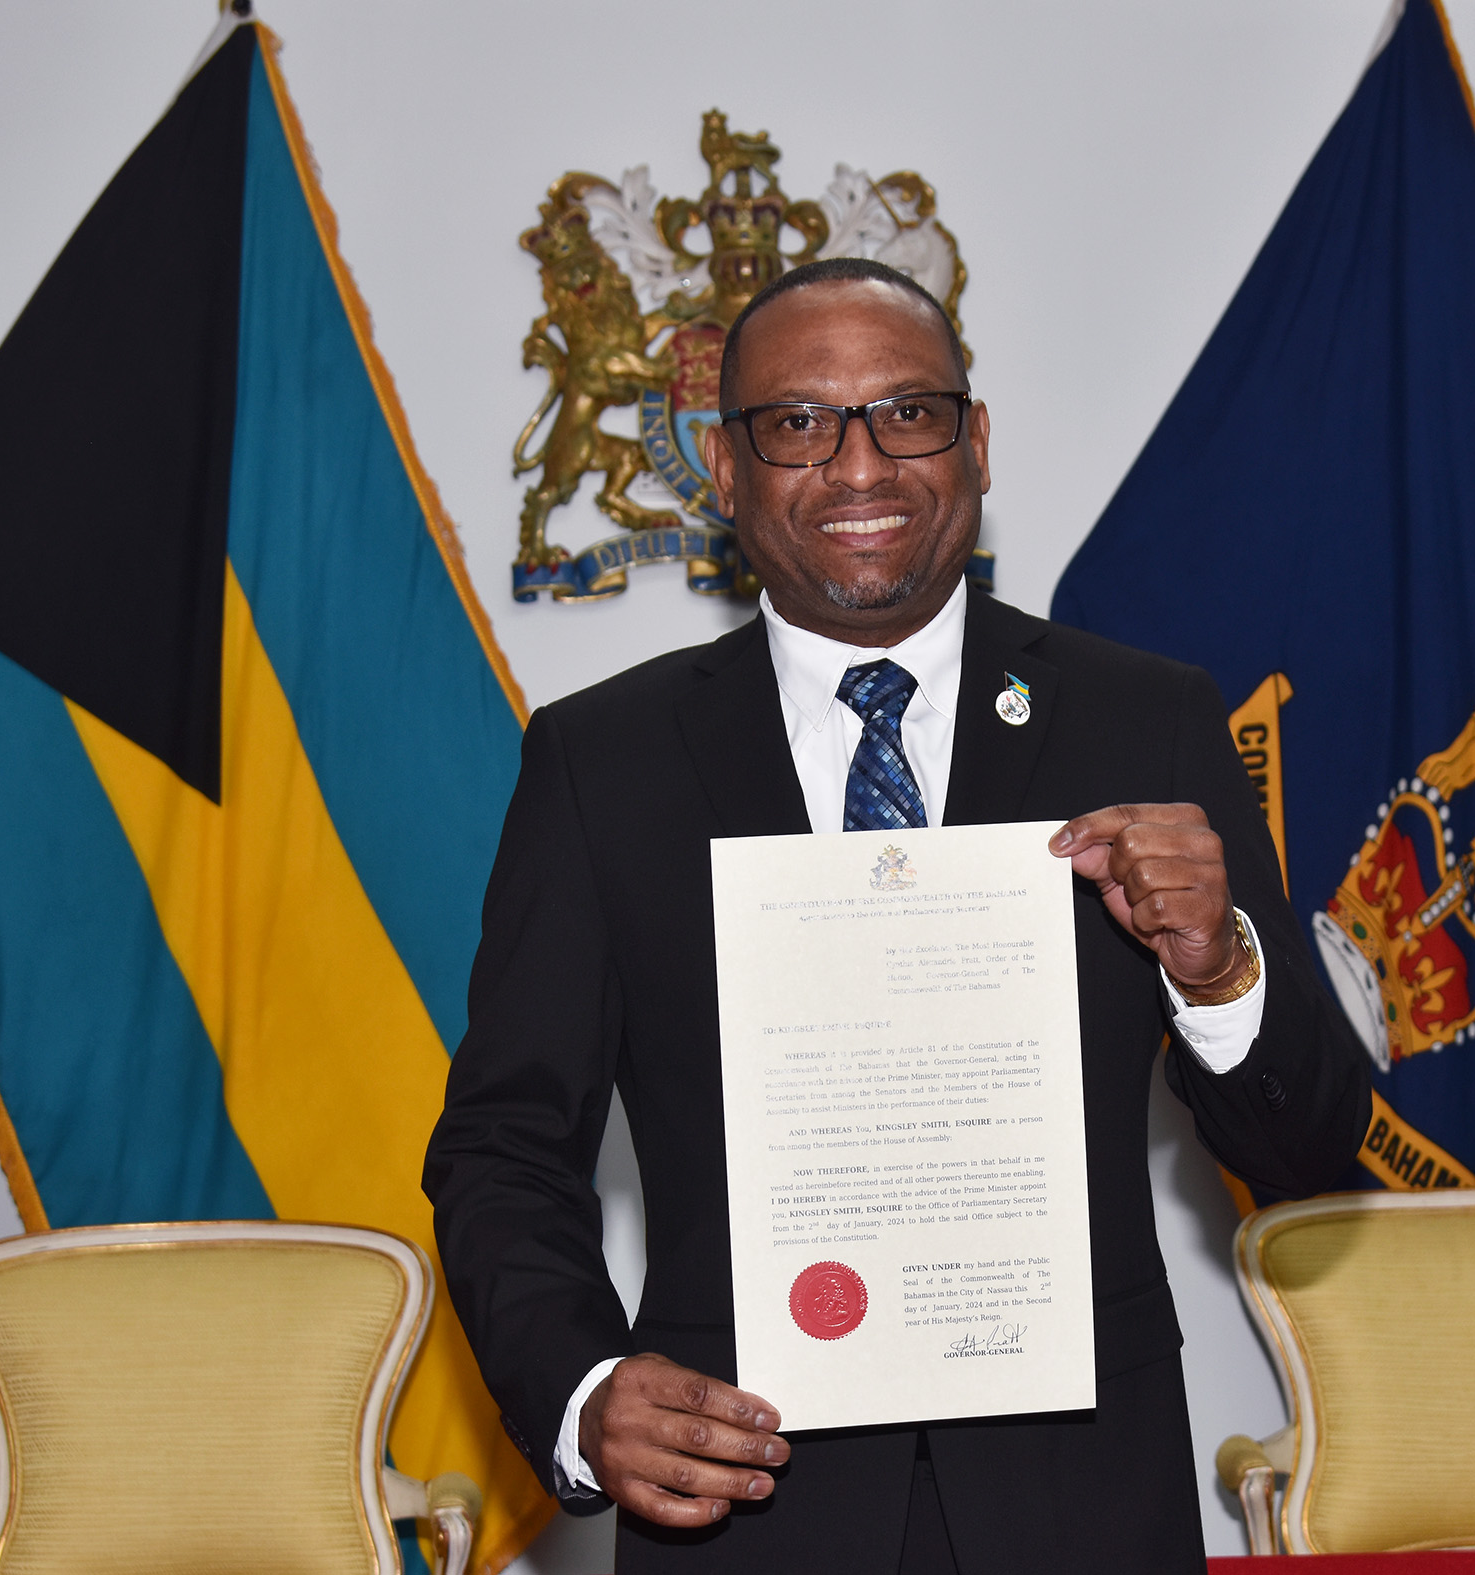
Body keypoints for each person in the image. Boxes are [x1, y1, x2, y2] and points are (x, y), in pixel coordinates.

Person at [424, 257, 1371, 1574]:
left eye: (907, 413)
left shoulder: (1143, 721)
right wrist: (586, 1393)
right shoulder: (604, 761)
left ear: (974, 442)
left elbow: (1313, 1146)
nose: (860, 466)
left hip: (1081, 1509)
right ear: (723, 467)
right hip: (742, 1508)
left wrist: (1220, 972)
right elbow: (504, 1147)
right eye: (799, 423)